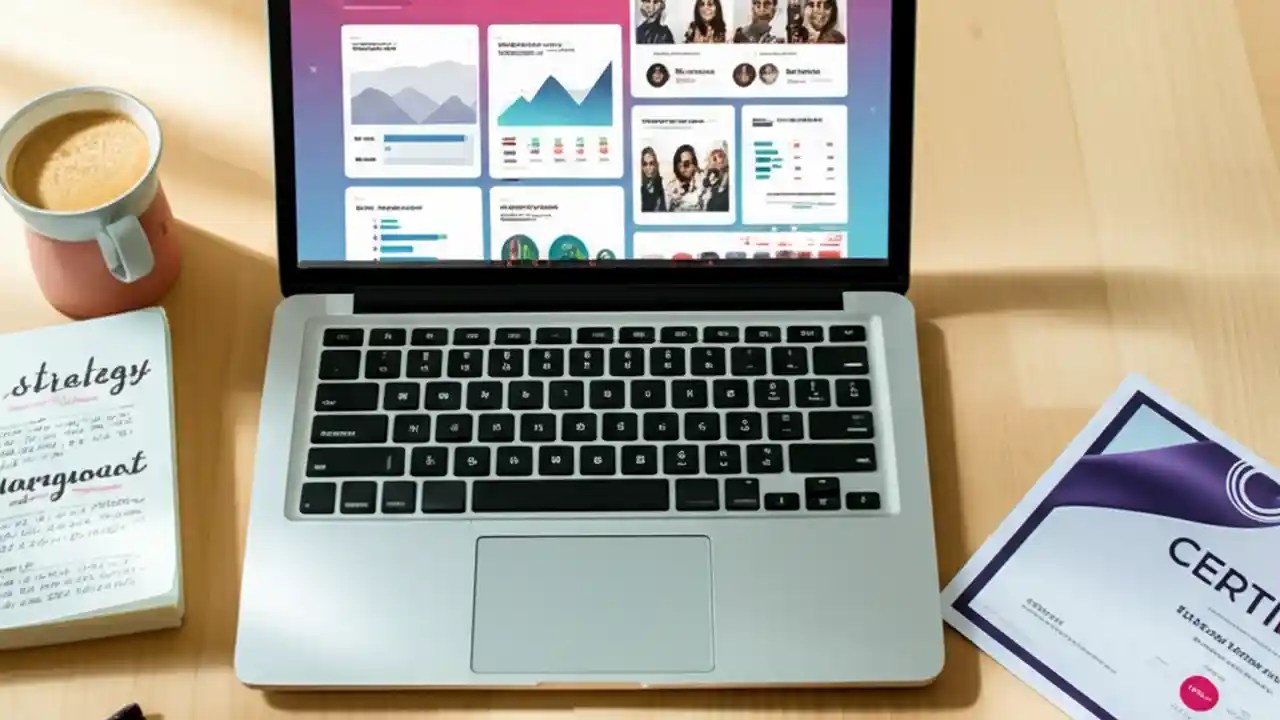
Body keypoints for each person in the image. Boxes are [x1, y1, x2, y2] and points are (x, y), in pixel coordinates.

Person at [666, 144, 706, 211]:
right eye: (679, 166)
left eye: (686, 164)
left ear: (694, 164)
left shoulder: (704, 182)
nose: (682, 170)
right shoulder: (671, 187)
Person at [638, 146, 667, 212]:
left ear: (656, 165)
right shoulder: (642, 190)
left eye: (651, 164)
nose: (648, 168)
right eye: (645, 164)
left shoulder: (663, 186)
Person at [702, 146, 731, 212]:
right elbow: (705, 183)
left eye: (720, 156)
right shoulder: (712, 172)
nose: (719, 161)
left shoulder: (729, 173)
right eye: (714, 159)